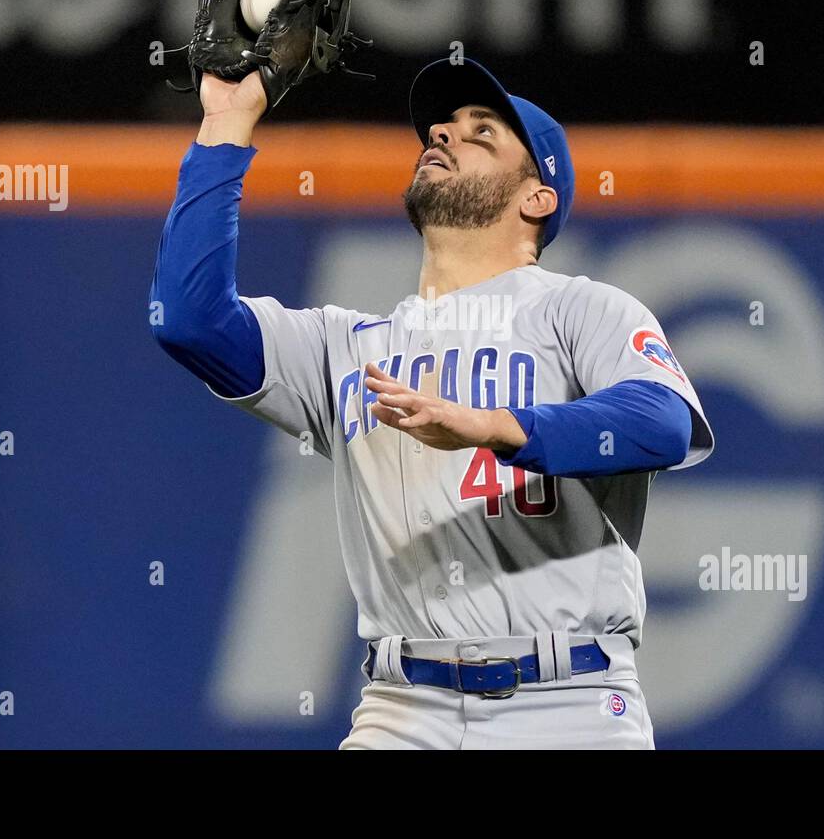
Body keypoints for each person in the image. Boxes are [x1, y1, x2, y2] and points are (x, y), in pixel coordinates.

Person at [149, 57, 714, 749]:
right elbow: (188, 319)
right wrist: (227, 121)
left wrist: (496, 426)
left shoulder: (579, 309)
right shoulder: (347, 348)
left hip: (568, 702)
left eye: (482, 133)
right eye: (441, 127)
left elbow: (664, 422)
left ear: (537, 197)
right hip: (401, 708)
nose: (443, 134)